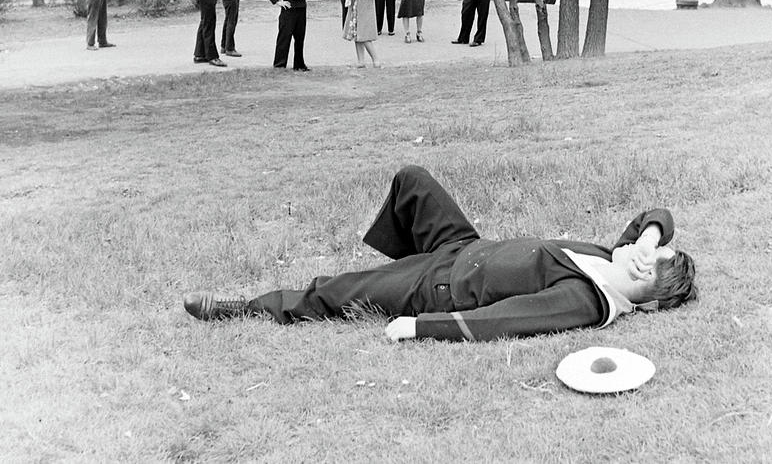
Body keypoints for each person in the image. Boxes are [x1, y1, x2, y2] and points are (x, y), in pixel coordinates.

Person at [183, 165, 697, 342]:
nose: (641, 257)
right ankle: (395, 272)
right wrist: (651, 239)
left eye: (650, 271)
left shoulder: (589, 299)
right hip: (462, 247)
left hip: (440, 287)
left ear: (646, 302)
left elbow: (506, 321)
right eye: (650, 252)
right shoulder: (610, 257)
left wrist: (421, 326)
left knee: (335, 293)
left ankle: (243, 308)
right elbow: (656, 215)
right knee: (413, 182)